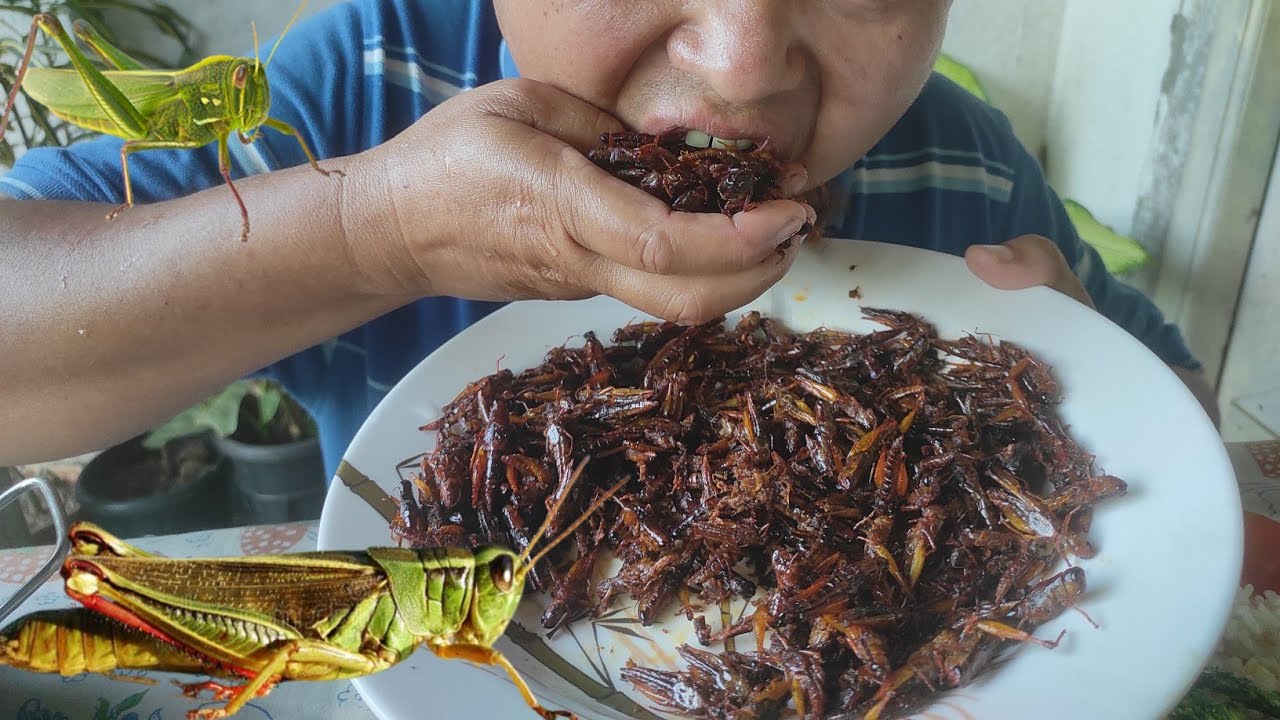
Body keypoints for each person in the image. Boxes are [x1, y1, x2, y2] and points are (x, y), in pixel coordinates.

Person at [0, 0, 1217, 479]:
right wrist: (369, 231)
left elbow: (1181, 415)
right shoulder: (365, 88)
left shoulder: (970, 167)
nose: (740, 58)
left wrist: (1099, 392)